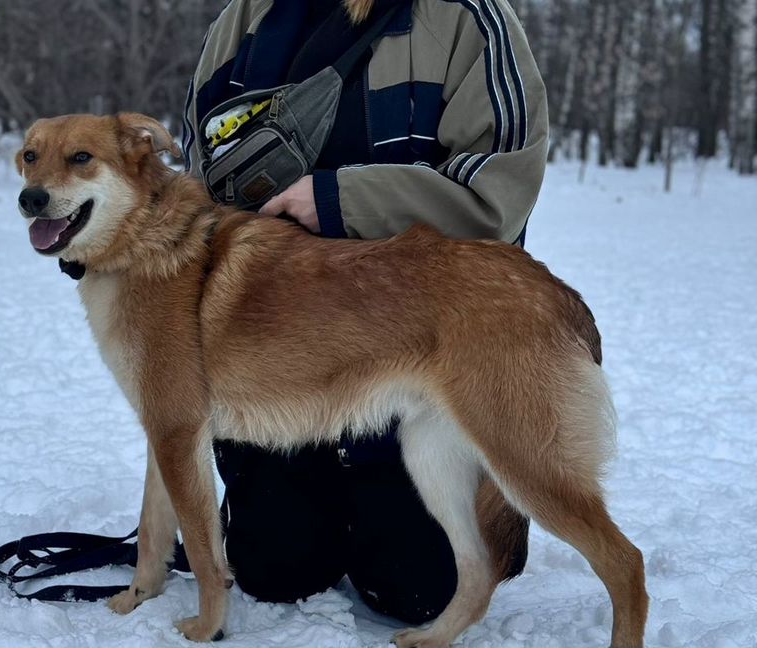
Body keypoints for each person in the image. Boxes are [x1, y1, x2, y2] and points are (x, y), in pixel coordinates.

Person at [179, 0, 549, 624]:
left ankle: (461, 492)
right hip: (281, 364)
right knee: (273, 571)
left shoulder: (468, 17)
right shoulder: (245, 17)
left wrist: (340, 200)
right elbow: (198, 175)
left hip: (413, 358)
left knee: (415, 590)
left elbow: (495, 199)